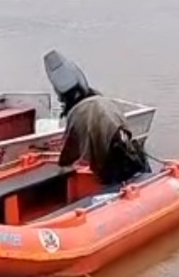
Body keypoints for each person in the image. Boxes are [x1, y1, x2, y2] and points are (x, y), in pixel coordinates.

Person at [45, 51, 150, 186]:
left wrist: (61, 164)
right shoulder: (104, 101)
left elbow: (69, 154)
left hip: (112, 165)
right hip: (133, 156)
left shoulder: (77, 114)